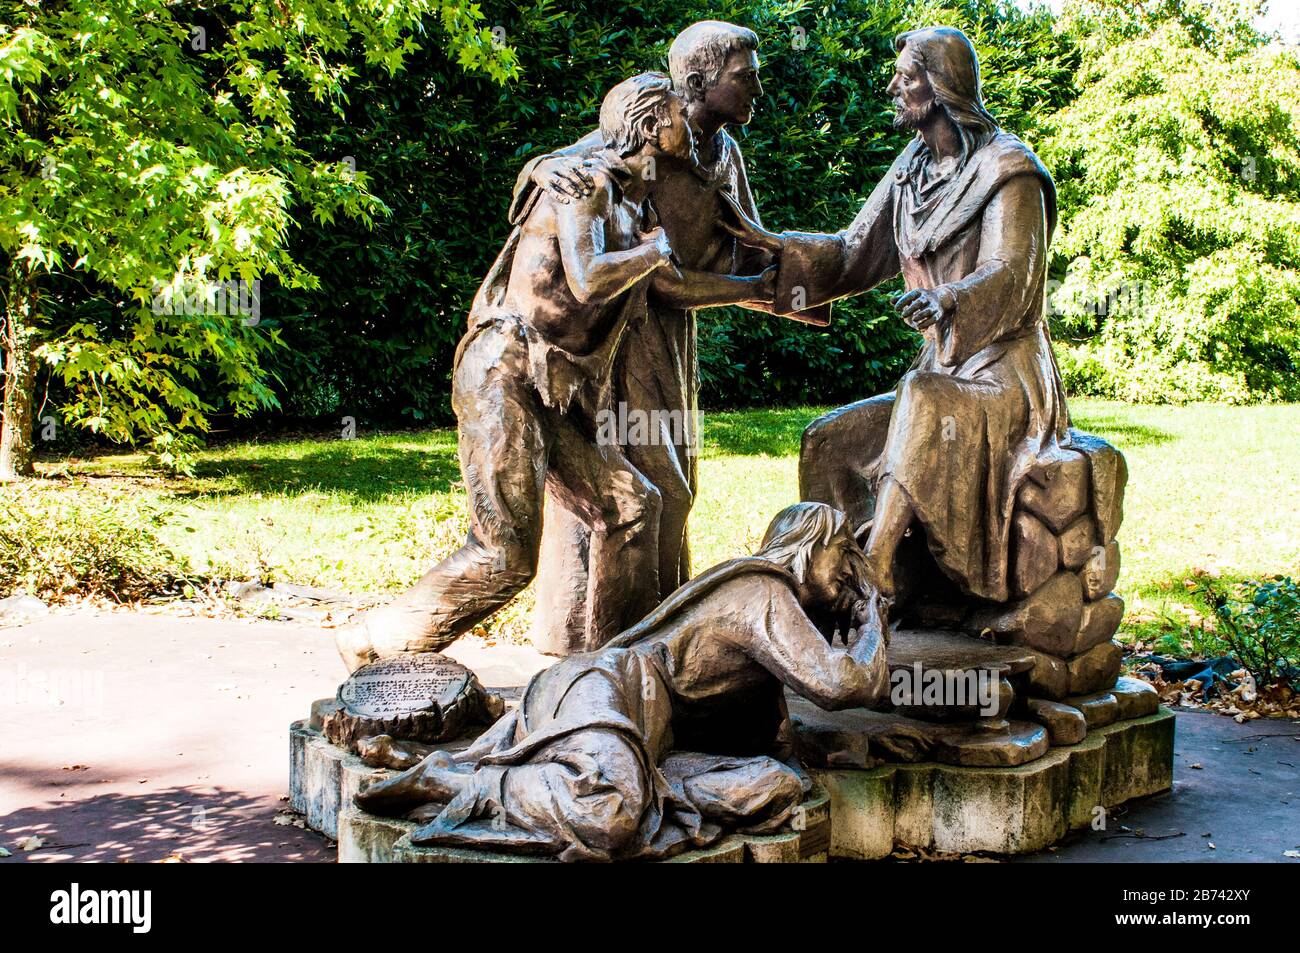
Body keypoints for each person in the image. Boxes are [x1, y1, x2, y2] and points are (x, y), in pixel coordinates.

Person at [335, 74, 776, 671]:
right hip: (506, 372)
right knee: (506, 553)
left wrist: (758, 288)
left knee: (631, 506)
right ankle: (378, 641)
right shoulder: (586, 183)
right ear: (651, 127)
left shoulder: (631, 201)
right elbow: (590, 276)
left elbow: (668, 284)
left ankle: (610, 668)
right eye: (676, 115)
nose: (688, 131)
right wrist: (654, 251)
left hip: (555, 384)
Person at [720, 27, 1066, 627]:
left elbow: (1014, 276)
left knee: (923, 397)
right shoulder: (911, 172)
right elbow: (855, 252)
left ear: (938, 87)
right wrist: (773, 254)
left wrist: (949, 300)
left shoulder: (1011, 172)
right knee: (828, 438)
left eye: (904, 78)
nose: (891, 88)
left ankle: (875, 579)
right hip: (939, 375)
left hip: (1003, 377)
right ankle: (828, 582)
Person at [519, 21, 829, 654]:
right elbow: (573, 170)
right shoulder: (647, 131)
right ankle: (605, 639)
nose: (758, 90)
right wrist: (543, 167)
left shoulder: (722, 155)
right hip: (622, 333)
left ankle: (657, 625)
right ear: (698, 82)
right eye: (746, 77)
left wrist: (805, 282)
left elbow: (746, 247)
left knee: (675, 478)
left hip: (674, 334)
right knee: (634, 482)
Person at [354, 502, 889, 862]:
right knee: (609, 815)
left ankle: (620, 787)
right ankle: (447, 781)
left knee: (773, 783)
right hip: (607, 685)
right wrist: (872, 625)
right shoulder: (760, 590)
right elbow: (840, 684)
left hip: (650, 736)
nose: (853, 568)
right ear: (805, 546)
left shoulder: (771, 614)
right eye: (845, 549)